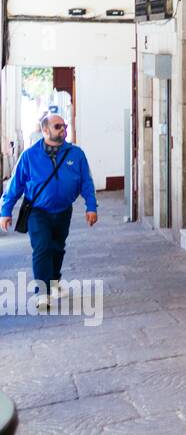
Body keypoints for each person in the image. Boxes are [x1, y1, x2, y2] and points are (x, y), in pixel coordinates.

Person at [0, 112, 98, 309]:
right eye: (57, 127)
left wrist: (91, 207)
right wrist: (5, 211)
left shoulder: (75, 154)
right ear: (45, 130)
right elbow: (15, 185)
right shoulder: (29, 156)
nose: (63, 130)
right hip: (38, 211)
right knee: (42, 247)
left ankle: (54, 281)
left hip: (63, 210)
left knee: (57, 247)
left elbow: (86, 182)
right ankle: (42, 293)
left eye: (64, 127)